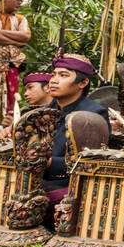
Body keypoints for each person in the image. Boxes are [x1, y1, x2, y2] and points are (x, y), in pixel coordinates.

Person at [41, 52, 110, 211]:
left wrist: (49, 163)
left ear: (83, 82)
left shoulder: (94, 113)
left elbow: (89, 162)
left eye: (63, 75)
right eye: (53, 74)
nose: (54, 80)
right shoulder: (45, 111)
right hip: (38, 179)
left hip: (66, 184)